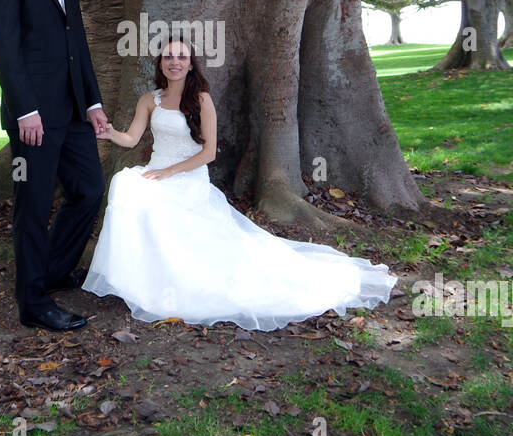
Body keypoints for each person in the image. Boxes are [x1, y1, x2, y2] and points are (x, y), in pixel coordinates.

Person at [83, 39, 399, 331]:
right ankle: (145, 279)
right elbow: (132, 138)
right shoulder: (150, 99)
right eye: (168, 57)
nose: (174, 62)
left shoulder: (201, 99)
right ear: (160, 63)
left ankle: (180, 281)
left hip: (187, 176)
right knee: (127, 187)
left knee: (158, 202)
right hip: (156, 172)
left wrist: (170, 172)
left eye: (181, 57)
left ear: (191, 64)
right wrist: (110, 133)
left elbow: (208, 152)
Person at [0, 0, 109, 332]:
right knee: (32, 206)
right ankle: (33, 302)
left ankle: (52, 271)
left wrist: (93, 102)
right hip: (32, 118)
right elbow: (3, 48)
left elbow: (78, 45)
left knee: (89, 190)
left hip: (72, 112)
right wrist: (24, 110)